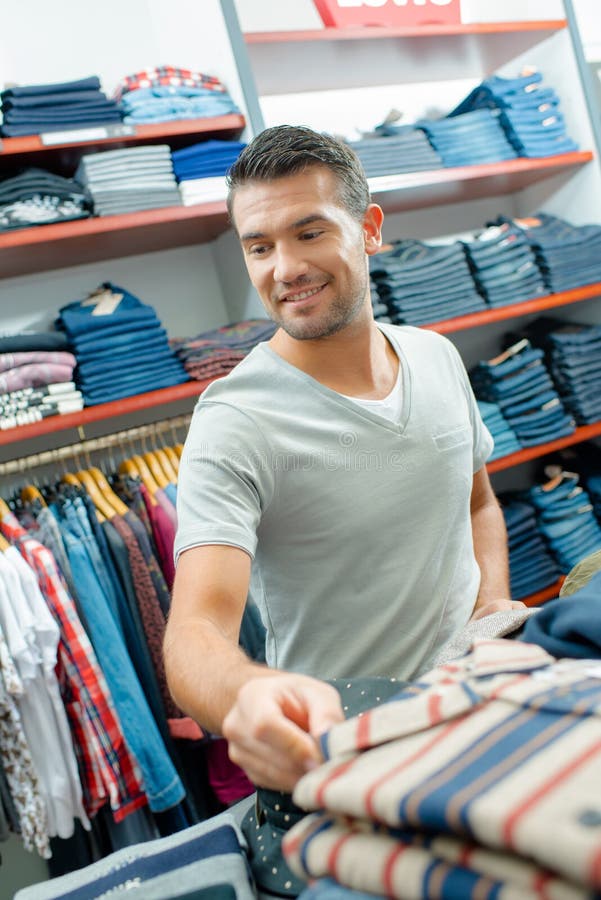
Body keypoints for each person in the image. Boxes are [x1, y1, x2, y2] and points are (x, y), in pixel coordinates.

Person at [164, 124, 523, 793]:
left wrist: (493, 611)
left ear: (369, 229)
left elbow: (478, 503)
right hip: (350, 746)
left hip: (477, 706)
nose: (284, 268)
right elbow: (194, 631)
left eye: (309, 233)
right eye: (259, 246)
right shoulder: (233, 420)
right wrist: (247, 692)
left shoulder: (435, 355)